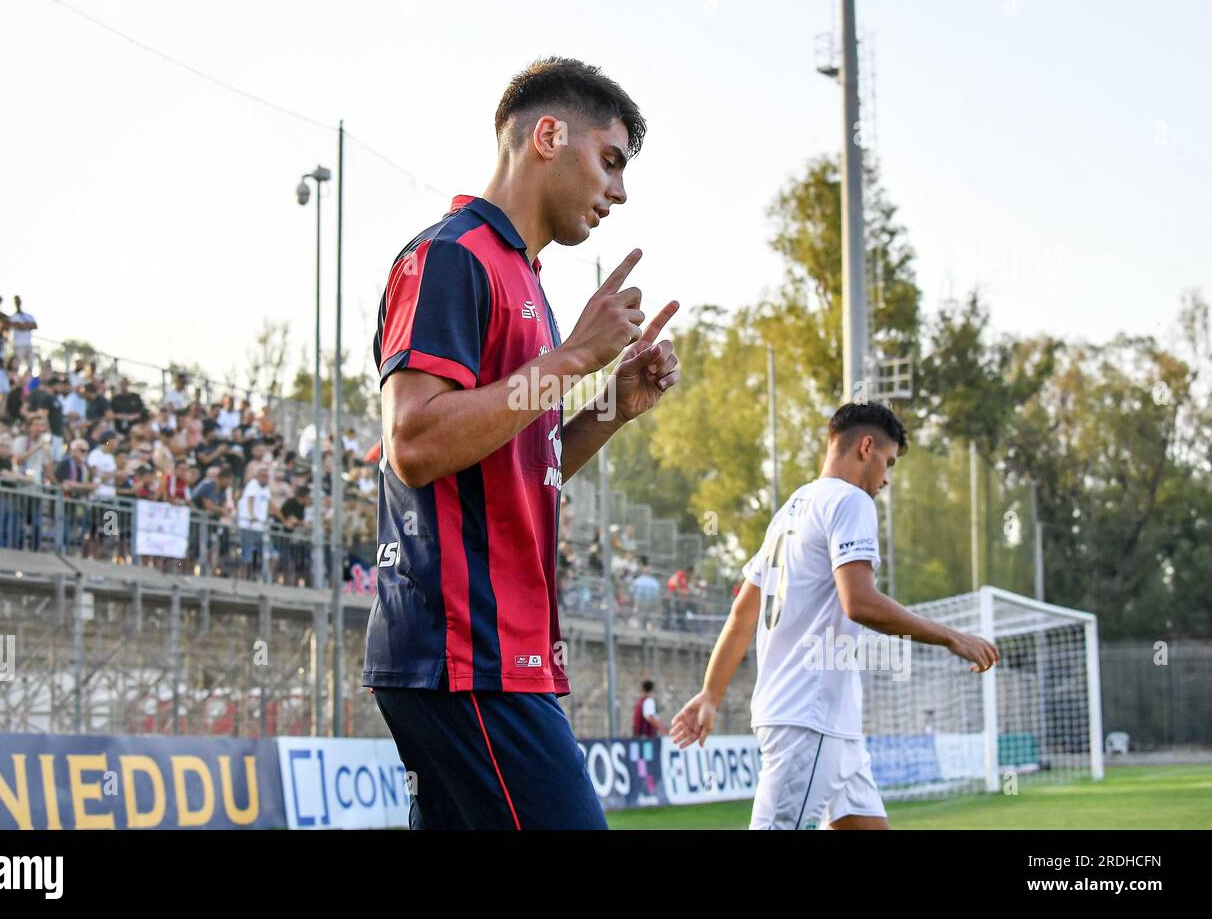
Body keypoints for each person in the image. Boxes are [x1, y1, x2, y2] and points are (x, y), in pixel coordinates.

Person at [367, 57, 681, 830]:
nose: (620, 190)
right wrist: (573, 359)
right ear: (548, 135)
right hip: (466, 656)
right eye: (609, 161)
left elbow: (516, 464)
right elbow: (413, 443)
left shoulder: (528, 281)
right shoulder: (451, 256)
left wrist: (606, 409)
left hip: (497, 655)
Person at [670, 402, 1000, 830]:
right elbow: (859, 602)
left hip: (829, 723)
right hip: (809, 717)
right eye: (889, 462)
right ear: (867, 447)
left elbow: (741, 614)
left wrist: (711, 695)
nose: (886, 479)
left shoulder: (791, 509)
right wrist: (950, 637)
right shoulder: (851, 502)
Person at [9, 296, 38, 370]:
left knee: (31, 365)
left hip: (28, 344)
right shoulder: (13, 317)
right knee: (17, 365)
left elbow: (35, 326)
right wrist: (27, 325)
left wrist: (22, 325)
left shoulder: (28, 316)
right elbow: (18, 326)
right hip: (18, 344)